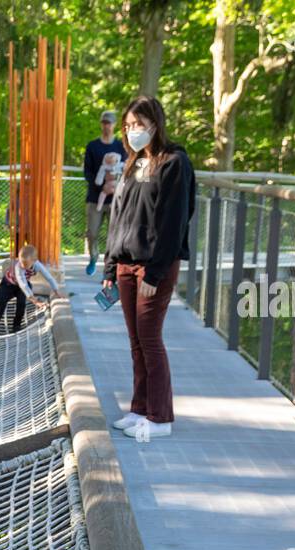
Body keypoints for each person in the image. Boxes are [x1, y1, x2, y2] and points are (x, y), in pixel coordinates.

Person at [102, 95, 196, 441]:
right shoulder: (132, 163)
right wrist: (110, 268)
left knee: (150, 339)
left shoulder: (174, 163)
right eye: (128, 126)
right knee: (136, 341)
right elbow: (119, 218)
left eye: (138, 125)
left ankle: (160, 416)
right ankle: (139, 408)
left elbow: (174, 221)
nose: (132, 131)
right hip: (126, 264)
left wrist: (155, 273)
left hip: (153, 267)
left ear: (155, 124)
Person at [83, 110, 125, 276]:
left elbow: (127, 169)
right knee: (92, 232)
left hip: (116, 197)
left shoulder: (121, 146)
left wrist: (115, 184)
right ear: (101, 124)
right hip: (95, 197)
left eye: (110, 123)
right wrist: (101, 186)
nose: (107, 126)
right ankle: (93, 257)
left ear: (115, 125)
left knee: (113, 234)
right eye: (104, 122)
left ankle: (110, 268)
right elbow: (87, 171)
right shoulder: (93, 146)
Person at [0, 244, 61, 336]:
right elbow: (23, 284)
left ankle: (16, 326)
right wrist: (35, 301)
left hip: (22, 285)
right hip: (7, 284)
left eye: (25, 264)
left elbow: (49, 277)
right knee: (0, 302)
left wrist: (56, 290)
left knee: (21, 304)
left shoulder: (38, 265)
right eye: (21, 262)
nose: (22, 266)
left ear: (34, 261)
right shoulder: (18, 267)